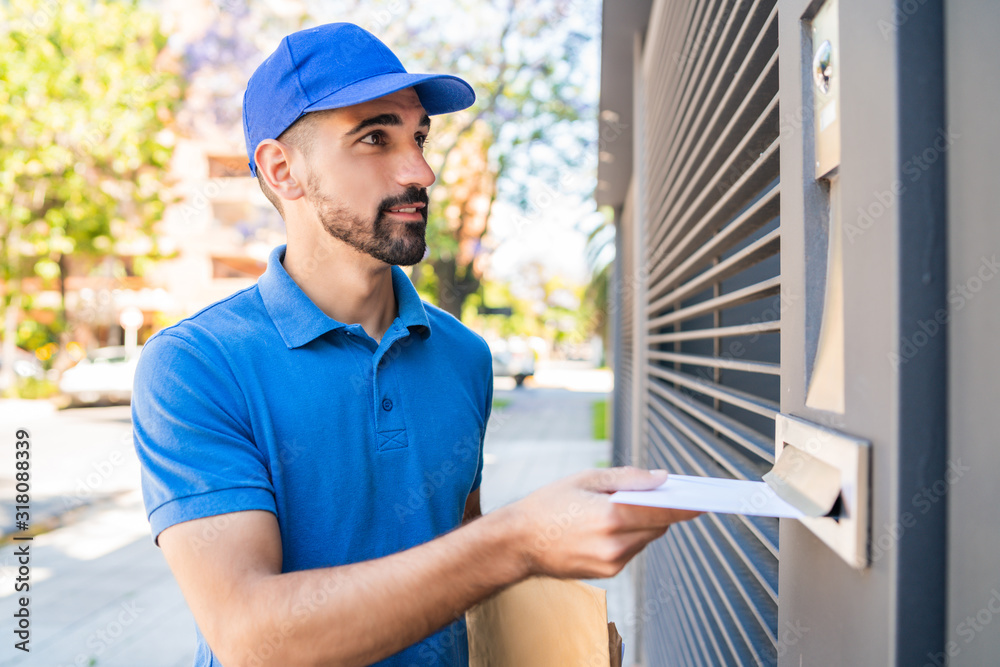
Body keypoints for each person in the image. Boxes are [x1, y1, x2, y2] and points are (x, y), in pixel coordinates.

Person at [132, 22, 698, 667]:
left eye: (420, 137)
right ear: (282, 169)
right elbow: (253, 637)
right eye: (376, 138)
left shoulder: (464, 355)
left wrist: (556, 635)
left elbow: (459, 555)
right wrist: (519, 540)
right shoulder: (194, 366)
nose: (420, 171)